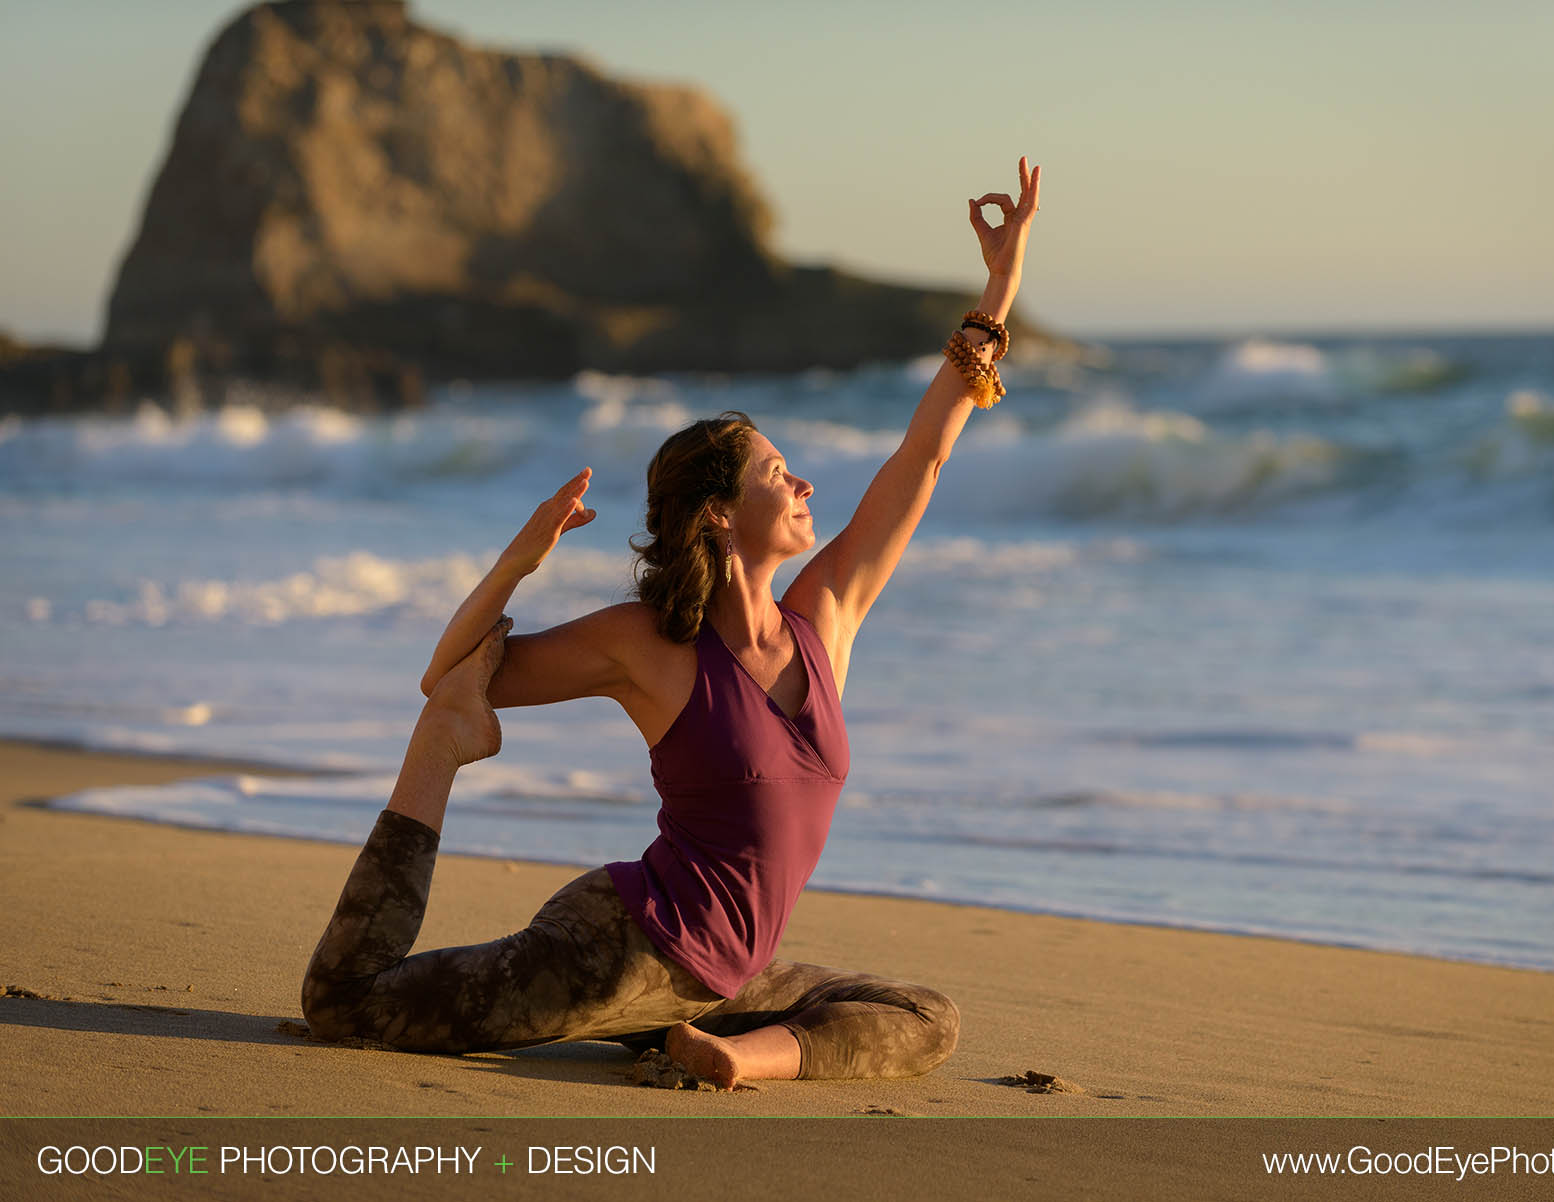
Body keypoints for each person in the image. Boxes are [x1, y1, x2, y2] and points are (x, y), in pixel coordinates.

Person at [300, 157, 1043, 1089]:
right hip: (620, 951)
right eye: (778, 473)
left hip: (720, 983)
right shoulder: (651, 645)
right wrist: (518, 564)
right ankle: (438, 760)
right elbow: (449, 672)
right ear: (721, 514)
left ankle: (732, 1056)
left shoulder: (824, 620)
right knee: (345, 1004)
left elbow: (921, 458)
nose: (805, 483)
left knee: (925, 1017)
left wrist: (999, 288)